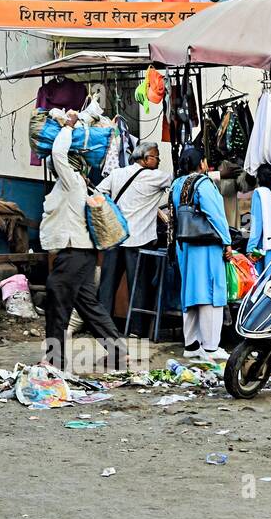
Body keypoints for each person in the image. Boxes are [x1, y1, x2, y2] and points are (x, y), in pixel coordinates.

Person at [38, 113, 131, 371]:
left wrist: (68, 126)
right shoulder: (75, 183)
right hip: (82, 254)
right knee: (87, 304)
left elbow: (57, 153)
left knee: (57, 300)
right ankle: (118, 352)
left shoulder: (71, 180)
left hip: (74, 253)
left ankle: (54, 361)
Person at [96, 142, 172, 322]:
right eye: (156, 156)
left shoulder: (116, 174)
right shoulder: (156, 177)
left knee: (108, 284)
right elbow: (178, 181)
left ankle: (102, 324)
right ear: (145, 159)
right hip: (138, 239)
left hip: (115, 237)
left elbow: (98, 193)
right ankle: (136, 329)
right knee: (137, 285)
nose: (159, 160)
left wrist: (112, 213)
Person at [170, 146, 233, 361]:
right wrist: (227, 242)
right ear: (202, 163)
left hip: (185, 246)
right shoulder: (203, 184)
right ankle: (211, 346)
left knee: (191, 293)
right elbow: (216, 215)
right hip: (206, 245)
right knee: (211, 292)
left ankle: (191, 344)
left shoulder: (177, 184)